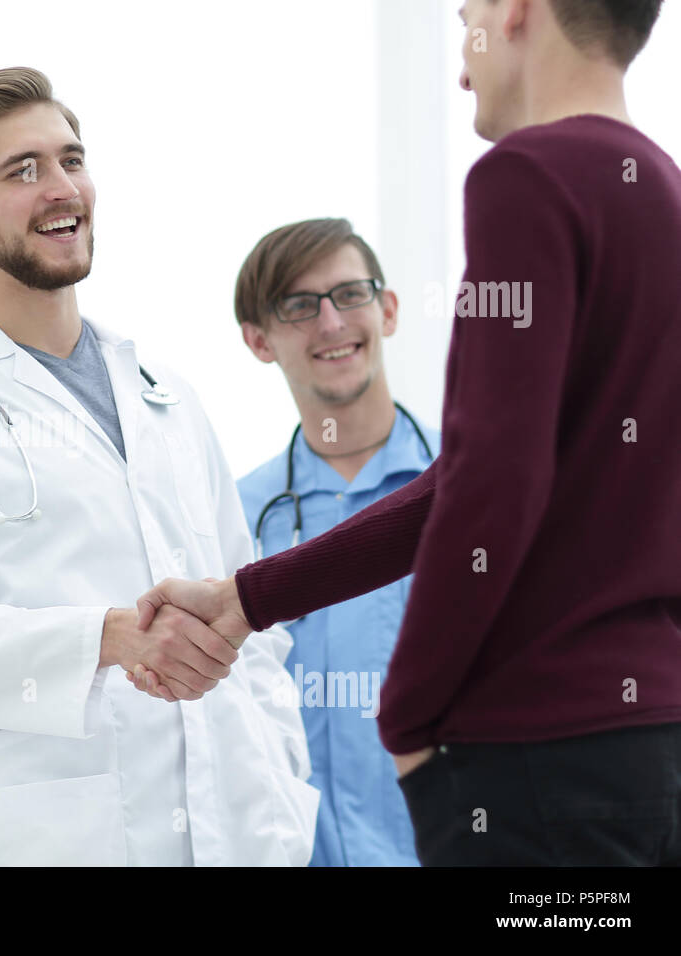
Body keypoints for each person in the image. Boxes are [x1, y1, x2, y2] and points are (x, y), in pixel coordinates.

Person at [132, 0, 681, 865]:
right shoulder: (658, 189)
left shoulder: (526, 175)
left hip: (531, 766)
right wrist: (246, 601)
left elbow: (490, 484)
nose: (461, 70)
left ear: (515, 11)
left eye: (465, 20)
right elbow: (484, 478)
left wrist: (409, 722)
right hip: (647, 750)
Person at [0, 67, 317, 866]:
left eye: (71, 159)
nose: (61, 188)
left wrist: (283, 784)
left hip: (243, 832)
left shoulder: (163, 391)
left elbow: (250, 614)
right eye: (22, 171)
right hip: (65, 836)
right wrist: (104, 639)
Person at [234, 218, 439, 866]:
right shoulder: (234, 518)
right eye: (298, 305)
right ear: (259, 340)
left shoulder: (477, 490)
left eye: (350, 294)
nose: (330, 323)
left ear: (389, 309)